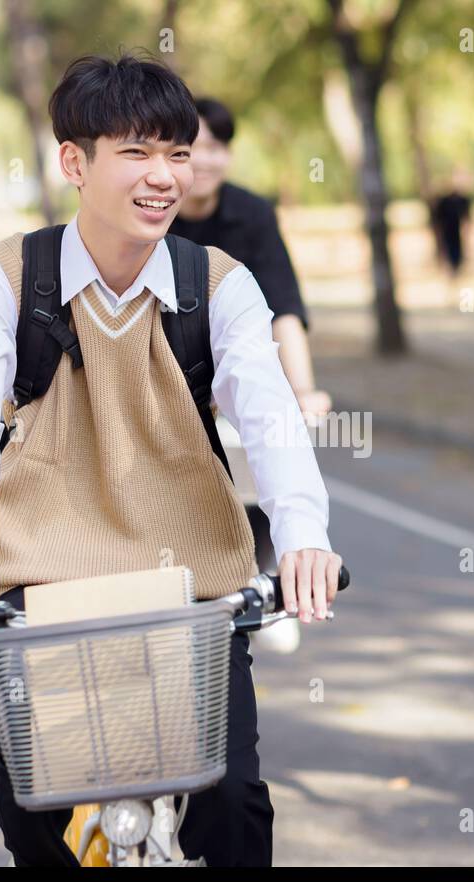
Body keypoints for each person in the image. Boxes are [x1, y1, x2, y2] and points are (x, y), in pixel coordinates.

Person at [0, 54, 342, 867]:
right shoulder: (7, 280)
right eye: (137, 153)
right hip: (50, 591)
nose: (164, 177)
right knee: (26, 797)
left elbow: (272, 418)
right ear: (74, 162)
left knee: (232, 803)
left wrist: (303, 536)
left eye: (178, 154)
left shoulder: (217, 284)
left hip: (192, 591)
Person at [170, 96, 330, 653]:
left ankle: (264, 580)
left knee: (270, 461)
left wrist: (303, 388)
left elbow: (283, 305)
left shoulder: (253, 215)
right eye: (192, 149)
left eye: (217, 147)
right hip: (170, 382)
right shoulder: (153, 214)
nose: (206, 161)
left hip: (243, 373)